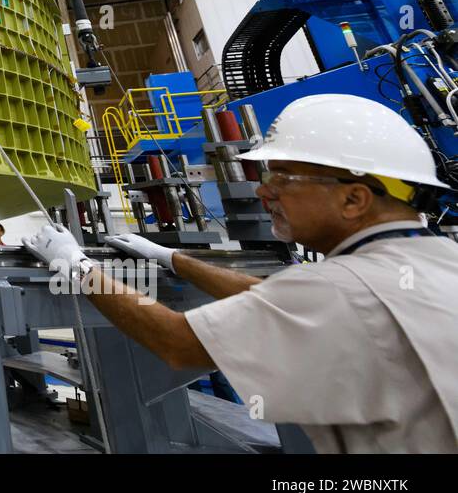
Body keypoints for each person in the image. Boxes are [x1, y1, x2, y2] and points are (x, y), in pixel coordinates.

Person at [25, 94, 458, 453]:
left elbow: (178, 342)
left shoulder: (342, 288)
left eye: (285, 177)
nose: (264, 190)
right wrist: (170, 258)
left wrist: (76, 264)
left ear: (355, 199)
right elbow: (268, 293)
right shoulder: (435, 259)